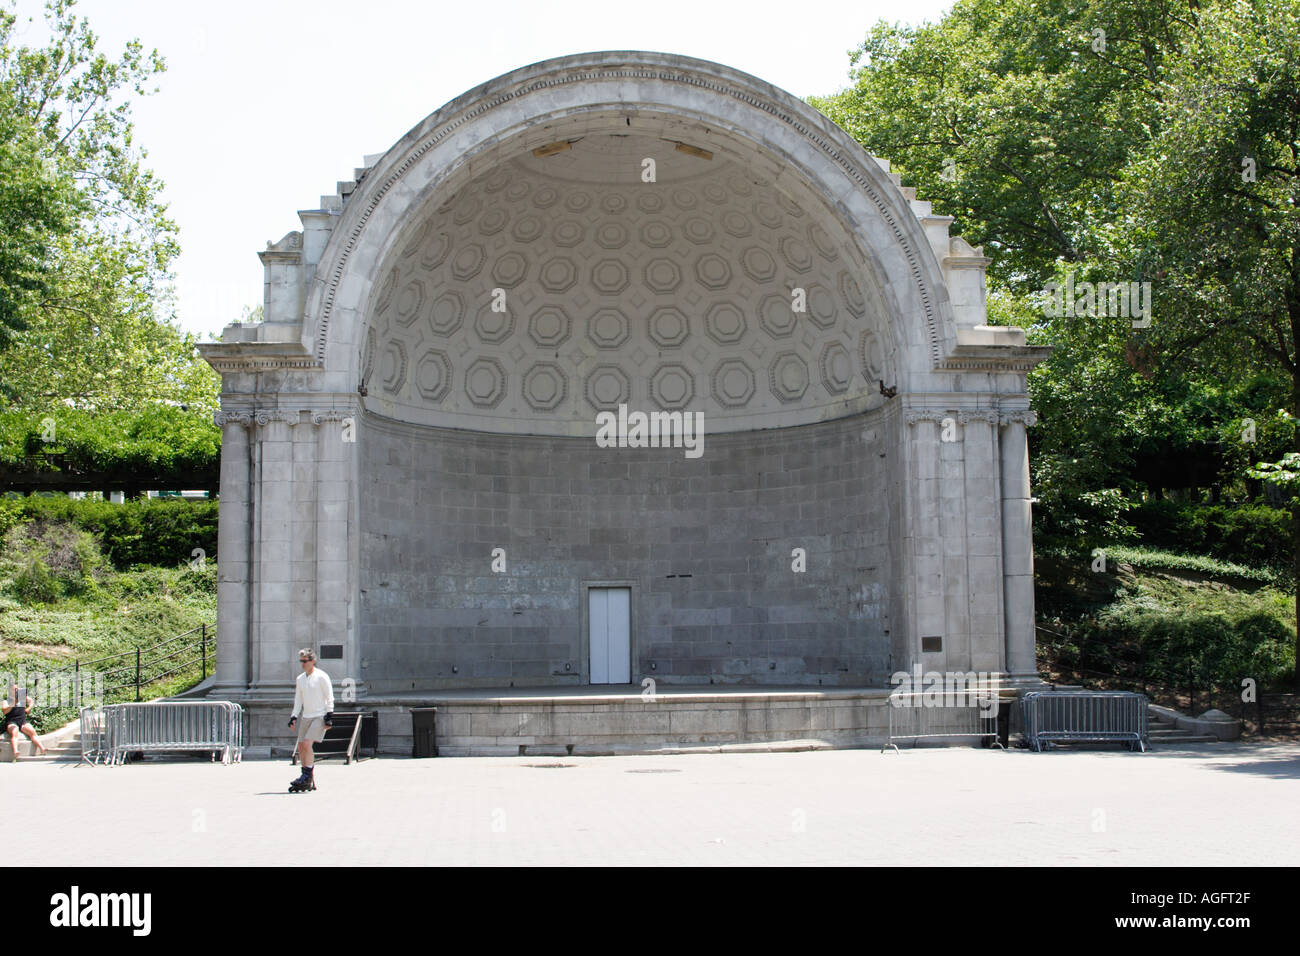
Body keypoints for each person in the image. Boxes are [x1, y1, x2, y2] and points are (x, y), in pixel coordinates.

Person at [287, 649, 333, 792]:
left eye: (305, 661)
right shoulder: (300, 678)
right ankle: (306, 776)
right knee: (300, 746)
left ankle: (307, 776)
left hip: (319, 715)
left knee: (307, 744)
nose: (303, 664)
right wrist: (294, 716)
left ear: (312, 661)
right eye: (301, 661)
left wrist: (329, 715)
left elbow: (329, 696)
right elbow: (298, 699)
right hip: (306, 716)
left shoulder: (321, 676)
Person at [2, 684, 48, 759]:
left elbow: (31, 700)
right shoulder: (6, 701)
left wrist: (29, 708)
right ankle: (15, 751)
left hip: (22, 721)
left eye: (17, 689)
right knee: (15, 732)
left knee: (32, 731)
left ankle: (42, 748)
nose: (16, 691)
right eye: (14, 689)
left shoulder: (22, 698)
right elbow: (5, 711)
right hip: (11, 721)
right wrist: (14, 702)